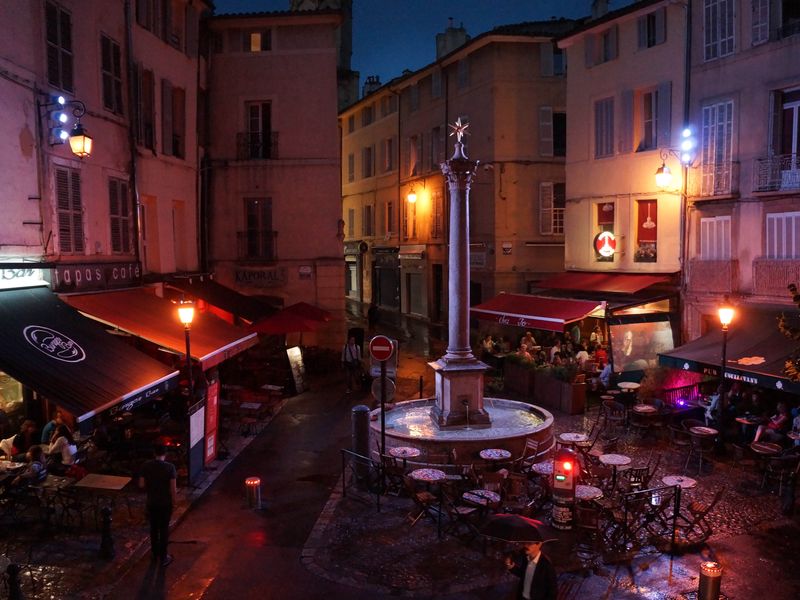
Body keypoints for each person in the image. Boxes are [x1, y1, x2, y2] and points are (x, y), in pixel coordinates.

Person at [139, 443, 178, 567]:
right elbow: (173, 489)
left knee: (154, 529)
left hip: (152, 502)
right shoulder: (170, 468)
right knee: (164, 529)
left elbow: (141, 484)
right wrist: (174, 502)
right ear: (165, 454)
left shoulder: (146, 466)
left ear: (154, 453)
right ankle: (163, 556)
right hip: (165, 503)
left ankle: (154, 554)